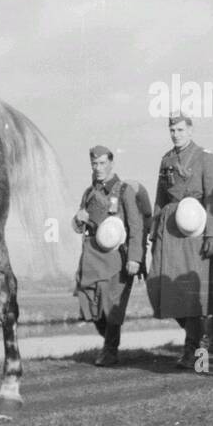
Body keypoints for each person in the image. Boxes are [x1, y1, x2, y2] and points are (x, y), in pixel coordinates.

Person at [146, 115, 213, 369]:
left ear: (190, 130)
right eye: (172, 129)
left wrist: (212, 234)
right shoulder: (166, 159)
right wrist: (154, 230)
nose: (176, 134)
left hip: (195, 229)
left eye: (180, 129)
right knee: (167, 289)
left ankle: (198, 356)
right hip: (169, 230)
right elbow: (159, 197)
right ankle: (201, 337)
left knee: (195, 297)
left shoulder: (205, 157)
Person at [72, 146, 146, 367]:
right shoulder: (88, 192)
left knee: (111, 306)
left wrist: (135, 258)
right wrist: (78, 218)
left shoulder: (124, 191)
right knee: (90, 304)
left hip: (116, 257)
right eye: (95, 164)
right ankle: (110, 343)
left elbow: (136, 226)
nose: (98, 168)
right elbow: (79, 225)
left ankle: (110, 350)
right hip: (92, 254)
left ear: (111, 163)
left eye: (103, 163)